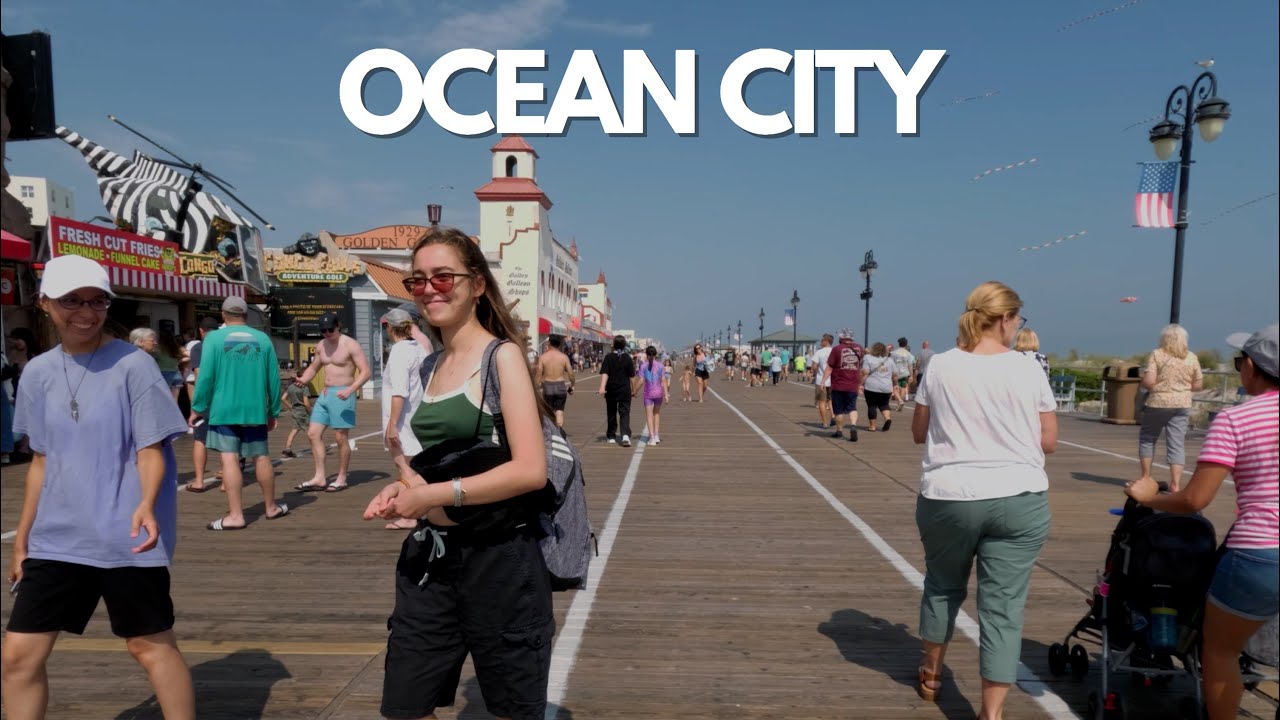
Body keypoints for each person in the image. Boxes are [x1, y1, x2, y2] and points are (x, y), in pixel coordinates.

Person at [360, 226, 554, 720]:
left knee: (512, 710)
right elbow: (438, 464)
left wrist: (433, 495)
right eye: (418, 281)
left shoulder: (501, 357)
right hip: (434, 556)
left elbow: (531, 470)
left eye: (443, 277)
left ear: (477, 285)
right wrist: (404, 486)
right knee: (405, 704)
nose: (429, 289)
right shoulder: (431, 366)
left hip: (499, 557)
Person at [1, 255, 196, 719]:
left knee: (148, 646)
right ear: (45, 303)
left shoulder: (134, 365)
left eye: (97, 301)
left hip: (125, 535)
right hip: (57, 538)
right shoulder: (37, 373)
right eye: (72, 300)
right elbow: (42, 461)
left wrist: (147, 503)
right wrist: (22, 540)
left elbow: (150, 449)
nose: (86, 312)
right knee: (18, 656)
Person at [910, 281, 1056, 720]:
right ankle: (991, 714)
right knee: (1003, 609)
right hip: (1020, 497)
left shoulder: (940, 365)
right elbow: (1048, 441)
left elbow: (919, 432)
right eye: (1018, 318)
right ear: (1006, 319)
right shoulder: (1030, 368)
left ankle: (932, 675)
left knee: (942, 586)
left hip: (949, 496)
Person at [1125, 324, 1278, 720]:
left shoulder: (1236, 419)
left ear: (1252, 367)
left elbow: (1194, 500)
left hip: (1260, 553)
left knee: (1221, 650)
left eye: (1240, 361)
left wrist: (1148, 496)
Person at [190, 296, 289, 529]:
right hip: (255, 409)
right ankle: (271, 507)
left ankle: (236, 516)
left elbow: (205, 377)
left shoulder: (213, 339)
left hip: (223, 409)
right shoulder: (263, 339)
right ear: (246, 315)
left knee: (229, 458)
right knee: (261, 456)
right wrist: (273, 410)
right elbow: (273, 379)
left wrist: (197, 407)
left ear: (223, 315)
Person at [293, 313, 372, 492]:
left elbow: (365, 372)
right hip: (326, 394)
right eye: (323, 330)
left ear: (338, 326)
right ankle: (319, 477)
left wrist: (351, 389)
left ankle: (341, 478)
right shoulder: (322, 345)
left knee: (340, 437)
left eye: (330, 329)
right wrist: (303, 380)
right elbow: (314, 368)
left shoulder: (350, 344)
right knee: (313, 433)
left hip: (344, 393)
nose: (327, 333)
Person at [1137, 324, 1204, 492]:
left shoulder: (1157, 354)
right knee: (1176, 444)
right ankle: (1175, 483)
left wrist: (1146, 384)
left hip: (1158, 402)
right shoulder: (1192, 357)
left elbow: (1149, 381)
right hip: (1182, 404)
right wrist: (1181, 387)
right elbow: (1198, 385)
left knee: (1147, 438)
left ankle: (1146, 477)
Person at [183, 317, 220, 492]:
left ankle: (199, 481)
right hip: (225, 397)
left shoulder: (199, 347)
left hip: (207, 399)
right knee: (226, 440)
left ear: (201, 330)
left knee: (200, 439)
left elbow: (200, 376)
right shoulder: (224, 345)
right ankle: (227, 481)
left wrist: (196, 406)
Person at [827, 329, 865, 442]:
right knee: (852, 407)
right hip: (853, 383)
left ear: (841, 338)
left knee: (838, 410)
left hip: (839, 384)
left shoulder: (837, 349)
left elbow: (830, 367)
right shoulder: (859, 348)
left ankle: (839, 431)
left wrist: (823, 381)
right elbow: (860, 364)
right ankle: (853, 425)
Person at [598, 335, 636, 446]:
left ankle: (611, 436)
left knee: (611, 412)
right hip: (624, 390)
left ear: (613, 345)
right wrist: (634, 390)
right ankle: (625, 435)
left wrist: (602, 387)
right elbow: (632, 376)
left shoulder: (609, 357)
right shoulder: (627, 358)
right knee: (624, 412)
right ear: (624, 346)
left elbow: (605, 373)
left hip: (611, 389)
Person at [131, 328, 184, 403]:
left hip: (165, 373)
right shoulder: (175, 347)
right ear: (140, 342)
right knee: (173, 402)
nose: (155, 343)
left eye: (156, 340)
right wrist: (179, 361)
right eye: (152, 341)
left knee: (165, 401)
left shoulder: (157, 351)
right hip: (176, 373)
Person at [535, 334, 575, 428]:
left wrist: (536, 386)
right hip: (560, 386)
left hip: (547, 387)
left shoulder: (543, 357)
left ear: (549, 343)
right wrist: (572, 385)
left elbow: (539, 373)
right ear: (559, 344)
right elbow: (570, 373)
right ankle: (558, 430)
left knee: (548, 411)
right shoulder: (564, 357)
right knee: (559, 411)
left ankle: (550, 430)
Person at [861, 342, 896, 432]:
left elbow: (865, 372)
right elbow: (895, 375)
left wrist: (860, 384)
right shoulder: (889, 360)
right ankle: (887, 418)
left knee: (872, 405)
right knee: (884, 404)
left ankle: (872, 427)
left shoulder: (868, 357)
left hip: (871, 386)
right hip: (886, 387)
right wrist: (895, 385)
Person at [639, 345, 669, 445]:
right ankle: (656, 436)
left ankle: (651, 437)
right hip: (659, 393)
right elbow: (664, 380)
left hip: (648, 393)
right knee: (656, 413)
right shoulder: (660, 366)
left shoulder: (643, 366)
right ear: (656, 354)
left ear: (647, 355)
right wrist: (666, 395)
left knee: (649, 415)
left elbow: (641, 380)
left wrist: (634, 391)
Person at [280, 368, 312, 459]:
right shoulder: (304, 388)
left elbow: (283, 398)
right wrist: (311, 412)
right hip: (303, 412)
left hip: (295, 411)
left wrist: (291, 407)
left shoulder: (291, 387)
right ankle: (315, 447)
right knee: (309, 430)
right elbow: (306, 403)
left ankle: (287, 449)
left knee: (294, 430)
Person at [812, 334, 834, 428]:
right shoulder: (835, 351)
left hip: (821, 380)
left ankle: (824, 423)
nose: (821, 342)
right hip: (833, 380)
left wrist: (815, 374)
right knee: (831, 400)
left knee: (822, 402)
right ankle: (833, 416)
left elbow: (814, 366)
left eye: (822, 341)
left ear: (826, 341)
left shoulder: (819, 352)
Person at [890, 338, 916, 411]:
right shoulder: (909, 354)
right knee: (903, 388)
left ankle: (900, 401)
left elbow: (891, 363)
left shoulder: (894, 353)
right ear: (906, 344)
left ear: (899, 344)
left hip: (896, 373)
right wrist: (911, 375)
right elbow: (910, 365)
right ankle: (899, 403)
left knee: (895, 388)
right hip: (905, 373)